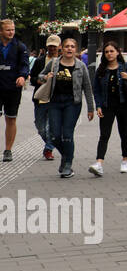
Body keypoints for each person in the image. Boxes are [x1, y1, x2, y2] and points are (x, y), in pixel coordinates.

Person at [38, 38, 94, 178]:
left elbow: (87, 87)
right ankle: (66, 155)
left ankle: (68, 164)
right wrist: (46, 77)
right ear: (61, 48)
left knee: (67, 135)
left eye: (72, 47)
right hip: (55, 103)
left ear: (76, 49)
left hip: (72, 103)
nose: (69, 49)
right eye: (67, 46)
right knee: (54, 136)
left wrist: (90, 108)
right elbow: (40, 76)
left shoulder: (81, 66)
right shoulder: (54, 63)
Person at [92, 41, 127, 176]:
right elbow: (96, 90)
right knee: (104, 135)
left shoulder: (126, 66)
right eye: (106, 52)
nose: (109, 54)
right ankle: (99, 163)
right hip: (107, 106)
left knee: (123, 132)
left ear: (117, 52)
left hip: (123, 105)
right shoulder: (101, 69)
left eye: (111, 51)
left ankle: (125, 160)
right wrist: (98, 105)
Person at [0, 19, 31, 164]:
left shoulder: (20, 47)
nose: (11, 32)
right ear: (1, 31)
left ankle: (8, 150)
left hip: (13, 88)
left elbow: (25, 65)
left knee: (11, 118)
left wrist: (22, 76)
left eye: (12, 29)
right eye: (8, 30)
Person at [29, 34, 60, 160]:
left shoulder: (63, 60)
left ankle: (48, 148)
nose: (52, 49)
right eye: (50, 46)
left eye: (54, 46)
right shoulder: (40, 61)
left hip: (55, 99)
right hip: (41, 98)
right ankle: (50, 144)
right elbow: (33, 78)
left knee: (51, 127)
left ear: (59, 47)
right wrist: (41, 80)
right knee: (40, 127)